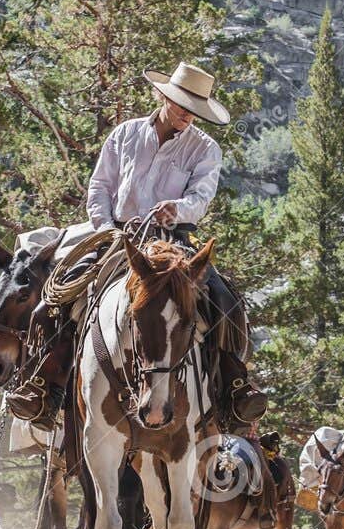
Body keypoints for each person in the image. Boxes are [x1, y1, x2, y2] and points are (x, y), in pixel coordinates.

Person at [83, 62, 267, 425]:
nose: (187, 115)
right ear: (163, 97)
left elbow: (200, 198)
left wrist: (177, 209)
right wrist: (107, 230)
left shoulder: (205, 149)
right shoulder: (125, 134)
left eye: (195, 109)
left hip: (172, 241)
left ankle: (233, 386)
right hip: (117, 234)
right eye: (182, 104)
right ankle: (43, 381)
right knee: (59, 289)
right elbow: (99, 187)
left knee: (224, 299)